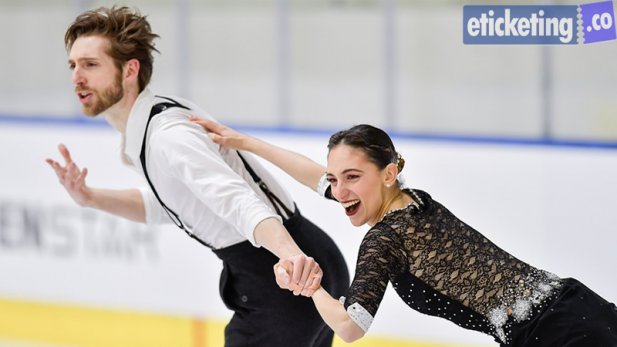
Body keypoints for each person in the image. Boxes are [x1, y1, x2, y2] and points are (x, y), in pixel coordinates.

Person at [45, 6, 349, 347]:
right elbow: (175, 206)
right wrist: (90, 197)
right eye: (73, 65)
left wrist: (292, 258)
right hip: (295, 267)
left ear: (129, 70)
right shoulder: (150, 125)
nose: (76, 77)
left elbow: (237, 201)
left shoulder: (167, 137)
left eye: (90, 64)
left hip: (283, 275)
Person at [192, 119, 617, 346]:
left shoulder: (385, 240)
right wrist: (246, 143)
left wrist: (311, 287)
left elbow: (350, 326)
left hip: (561, 335)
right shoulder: (414, 201)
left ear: (389, 173)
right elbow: (319, 179)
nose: (339, 192)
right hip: (576, 307)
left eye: (352, 177)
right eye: (334, 179)